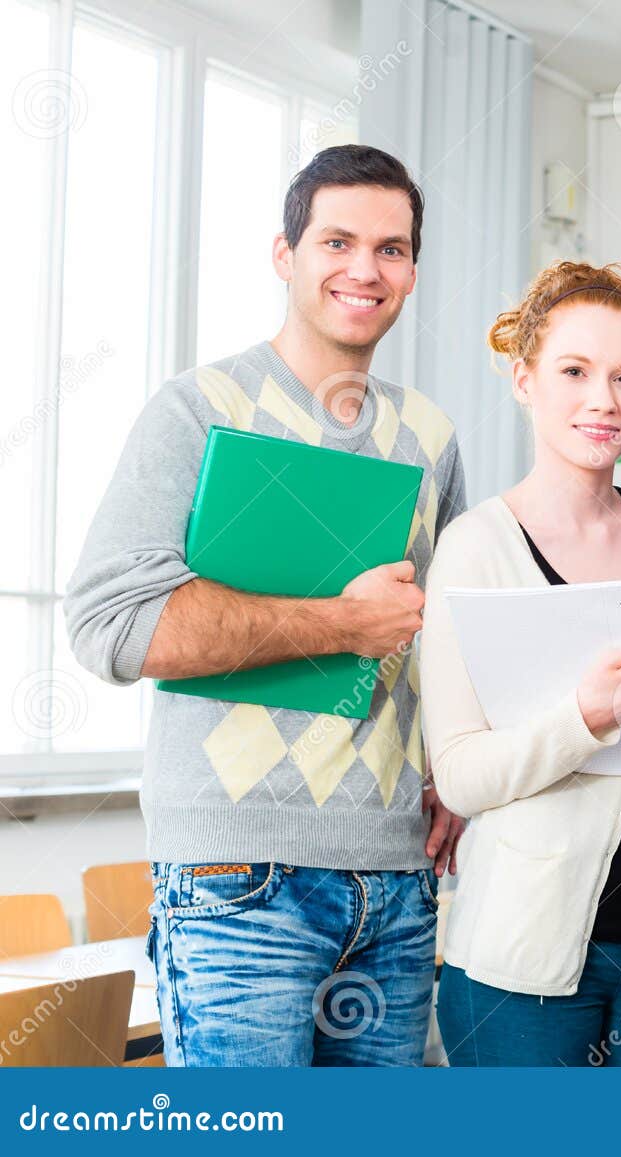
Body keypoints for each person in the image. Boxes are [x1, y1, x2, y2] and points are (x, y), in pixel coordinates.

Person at [62, 145, 467, 1066]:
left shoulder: (432, 437)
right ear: (284, 254)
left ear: (412, 270)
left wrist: (451, 764)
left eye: (393, 249)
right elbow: (111, 625)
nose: (365, 269)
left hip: (397, 879)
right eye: (338, 241)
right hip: (238, 878)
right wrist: (339, 622)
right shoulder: (199, 411)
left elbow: (439, 635)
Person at [423, 261, 621, 1067]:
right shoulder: (477, 546)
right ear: (524, 379)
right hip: (528, 963)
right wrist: (585, 718)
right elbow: (461, 776)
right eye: (574, 372)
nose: (604, 401)